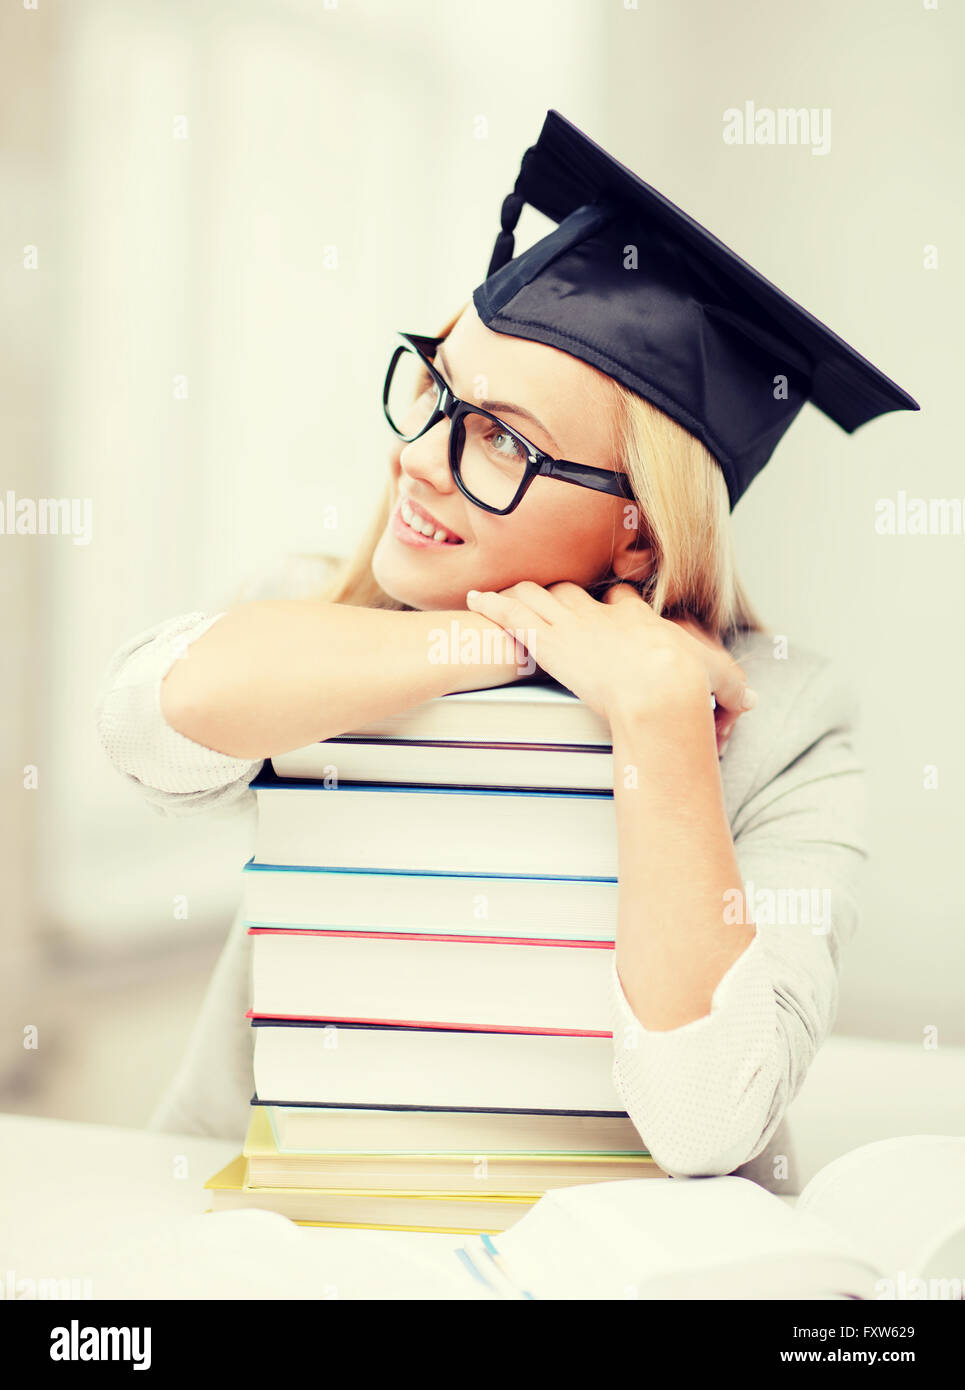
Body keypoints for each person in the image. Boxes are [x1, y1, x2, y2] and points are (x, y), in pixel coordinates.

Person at [95, 111, 917, 1193]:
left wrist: (660, 728)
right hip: (295, 1236)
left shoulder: (786, 721)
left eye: (499, 438)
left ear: (640, 522)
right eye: (437, 391)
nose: (414, 460)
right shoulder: (314, 617)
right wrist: (496, 638)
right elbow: (145, 722)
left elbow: (704, 1118)